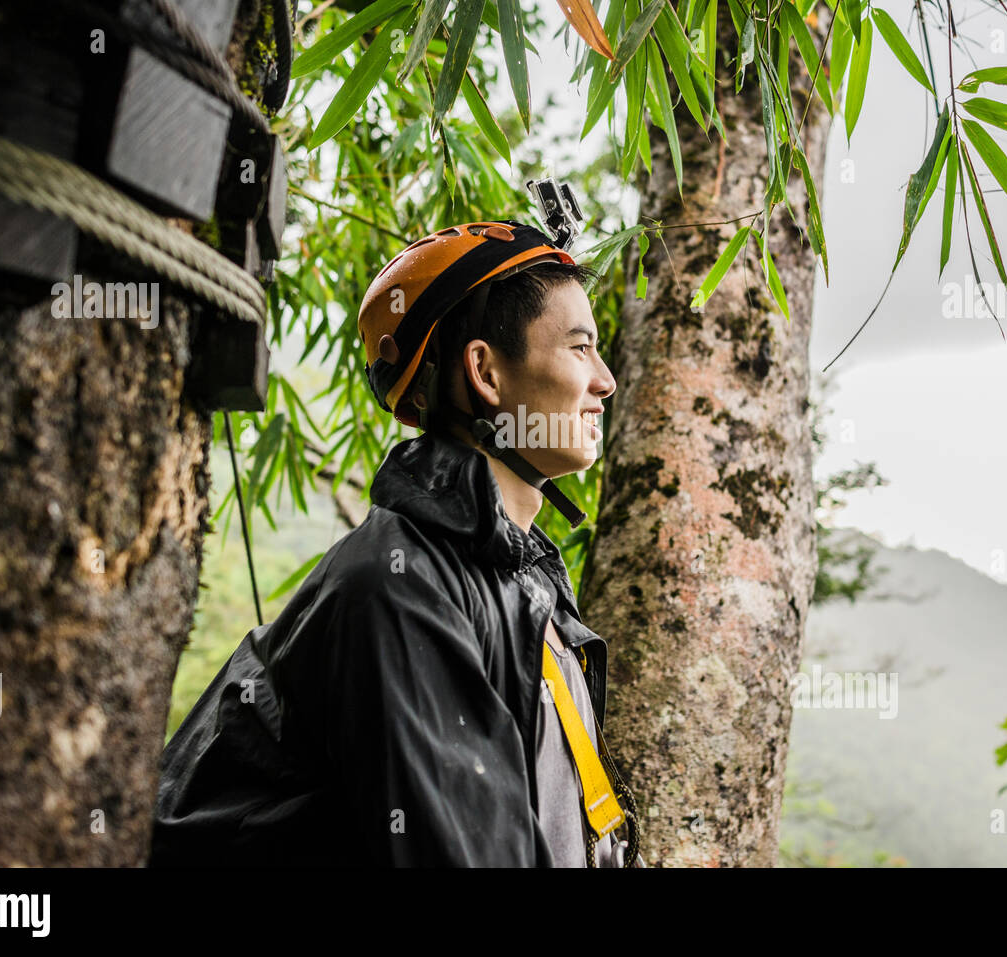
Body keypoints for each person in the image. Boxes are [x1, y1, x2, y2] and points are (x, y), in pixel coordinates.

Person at [150, 219, 645, 867]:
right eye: (580, 348)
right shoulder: (400, 589)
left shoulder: (529, 573)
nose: (605, 381)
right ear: (486, 373)